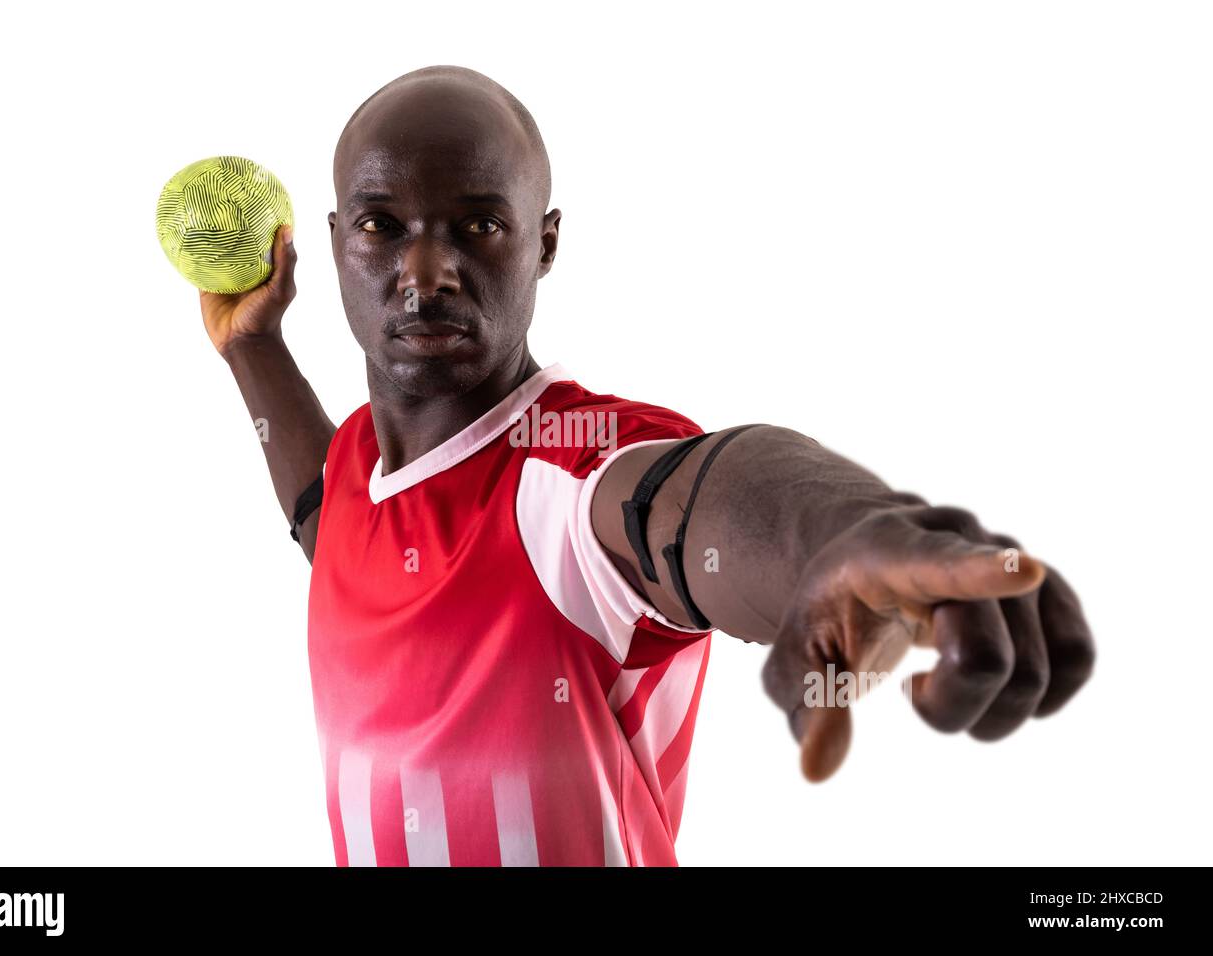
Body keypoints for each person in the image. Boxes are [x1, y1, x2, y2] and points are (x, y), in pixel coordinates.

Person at [196, 65, 1094, 866]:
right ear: (332, 241)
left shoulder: (575, 466)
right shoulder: (362, 462)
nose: (426, 270)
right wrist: (253, 350)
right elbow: (339, 523)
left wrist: (843, 538)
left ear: (544, 244)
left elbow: (694, 504)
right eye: (382, 225)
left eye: (478, 224)